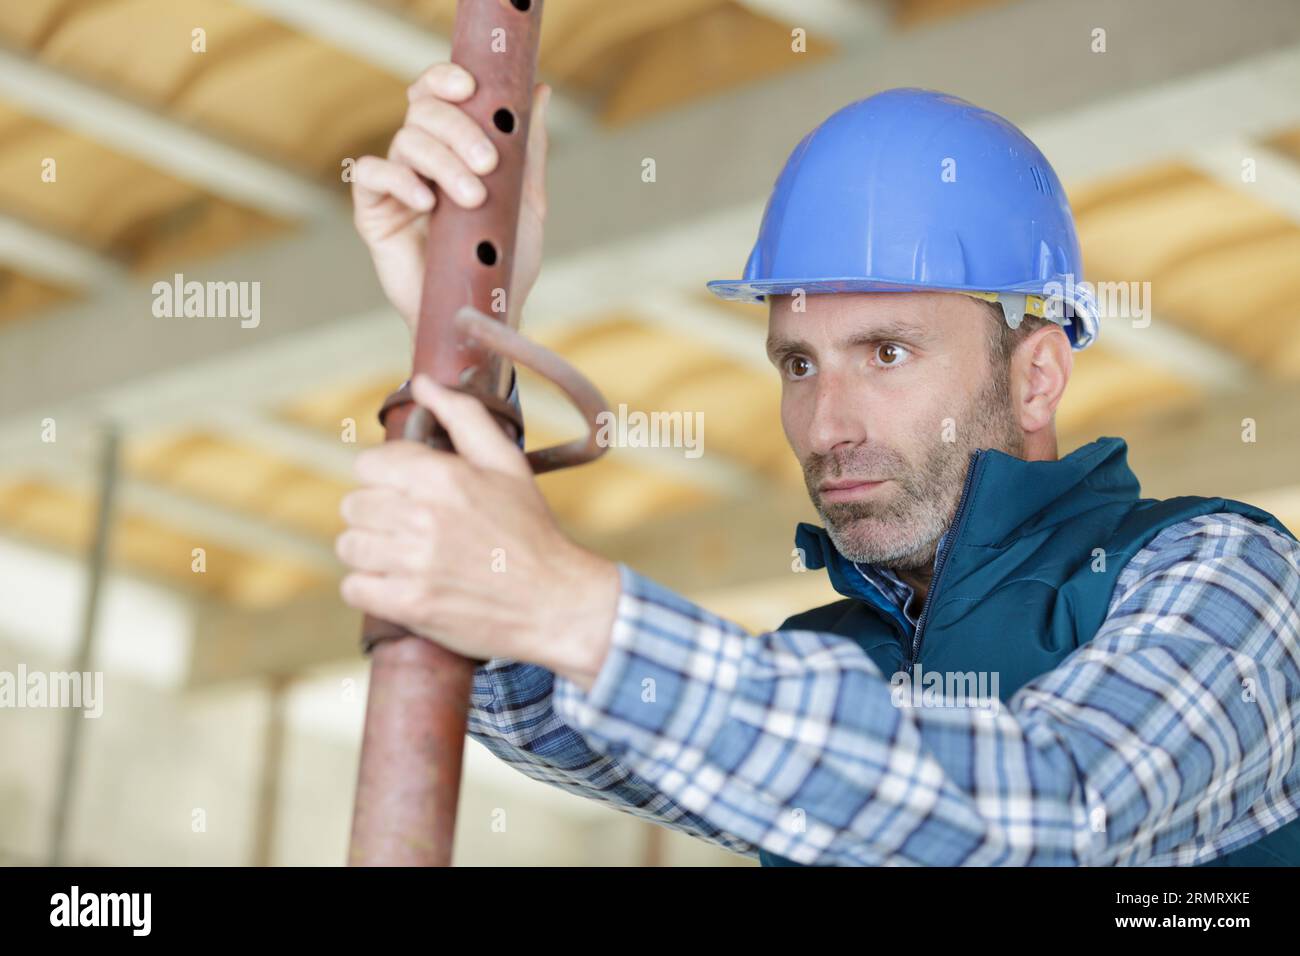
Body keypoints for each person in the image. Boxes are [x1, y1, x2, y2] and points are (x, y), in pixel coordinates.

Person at [339, 63, 1300, 866]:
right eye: (798, 364)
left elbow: (1054, 812)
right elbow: (533, 705)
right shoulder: (828, 661)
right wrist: (466, 330)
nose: (826, 425)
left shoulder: (1220, 573)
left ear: (1036, 375)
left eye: (887, 352)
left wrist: (577, 607)